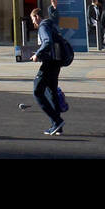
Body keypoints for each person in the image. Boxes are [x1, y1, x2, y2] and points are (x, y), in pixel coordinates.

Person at [29, 8, 66, 136]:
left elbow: (47, 42)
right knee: (51, 92)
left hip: (49, 63)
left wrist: (37, 54)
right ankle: (57, 126)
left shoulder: (43, 26)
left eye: (32, 19)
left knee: (37, 91)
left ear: (37, 17)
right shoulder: (51, 25)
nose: (32, 22)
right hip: (56, 61)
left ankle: (56, 121)